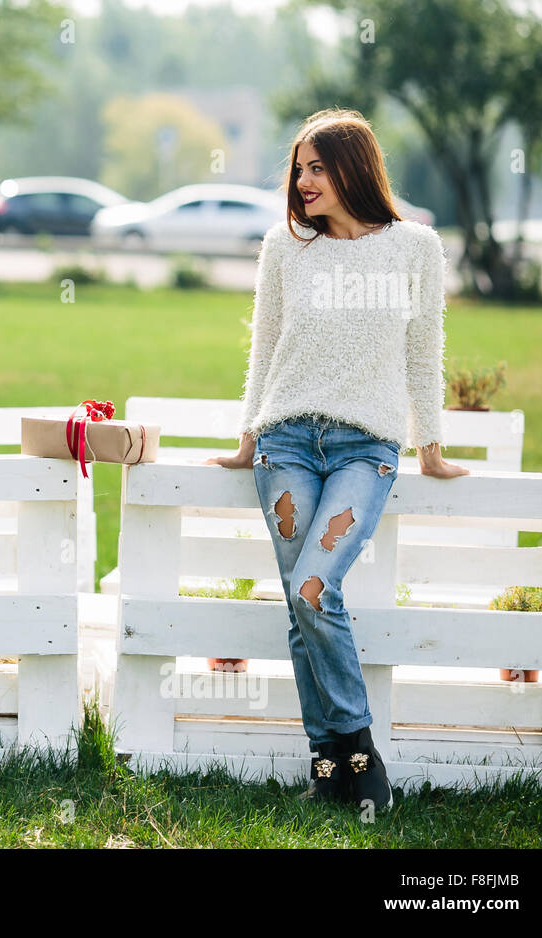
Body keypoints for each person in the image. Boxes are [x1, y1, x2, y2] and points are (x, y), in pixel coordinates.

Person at [206, 108, 469, 813]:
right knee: (301, 602)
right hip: (285, 441)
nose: (302, 182)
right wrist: (246, 436)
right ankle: (332, 769)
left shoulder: (414, 248)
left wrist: (432, 446)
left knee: (314, 586)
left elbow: (424, 352)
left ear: (354, 168)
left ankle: (356, 752)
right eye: (298, 169)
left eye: (316, 168)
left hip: (366, 447)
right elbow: (264, 347)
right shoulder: (284, 248)